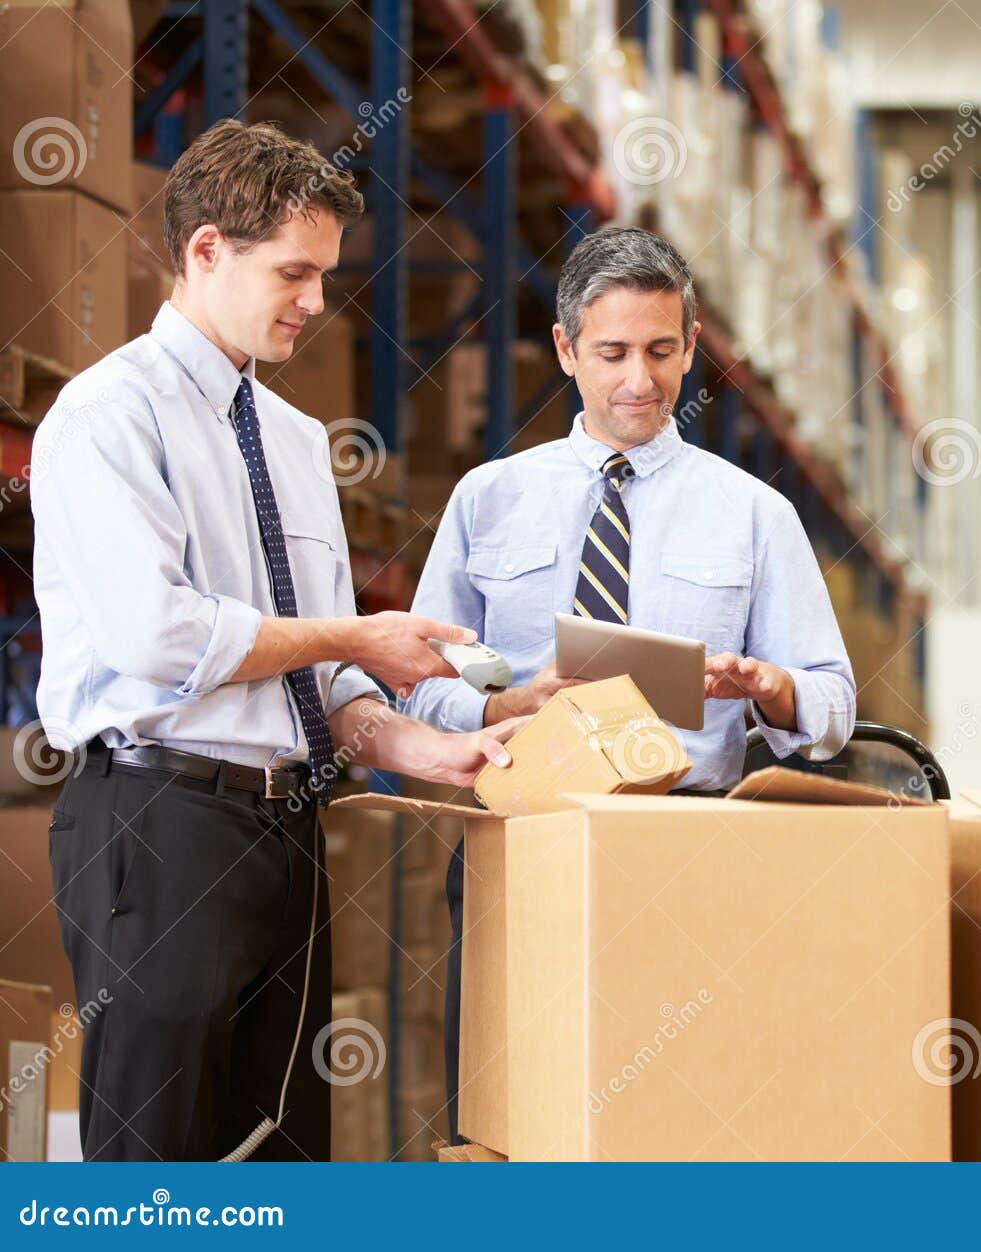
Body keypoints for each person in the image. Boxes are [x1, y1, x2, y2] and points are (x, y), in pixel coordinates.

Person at [30, 120, 527, 1162]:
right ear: (205, 250)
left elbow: (325, 673)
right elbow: (155, 634)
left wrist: (421, 747)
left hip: (284, 830)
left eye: (324, 275)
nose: (314, 301)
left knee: (279, 1150)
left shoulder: (300, 445)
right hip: (157, 820)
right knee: (155, 1157)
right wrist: (356, 633)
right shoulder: (107, 416)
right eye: (293, 273)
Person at [402, 225, 857, 1141]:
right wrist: (503, 700)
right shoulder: (489, 499)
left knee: (682, 1121)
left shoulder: (753, 515)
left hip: (690, 848)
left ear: (692, 346)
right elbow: (426, 684)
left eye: (661, 350)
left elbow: (834, 704)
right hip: (520, 841)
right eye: (611, 353)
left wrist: (771, 686)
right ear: (567, 350)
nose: (639, 380)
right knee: (509, 1116)